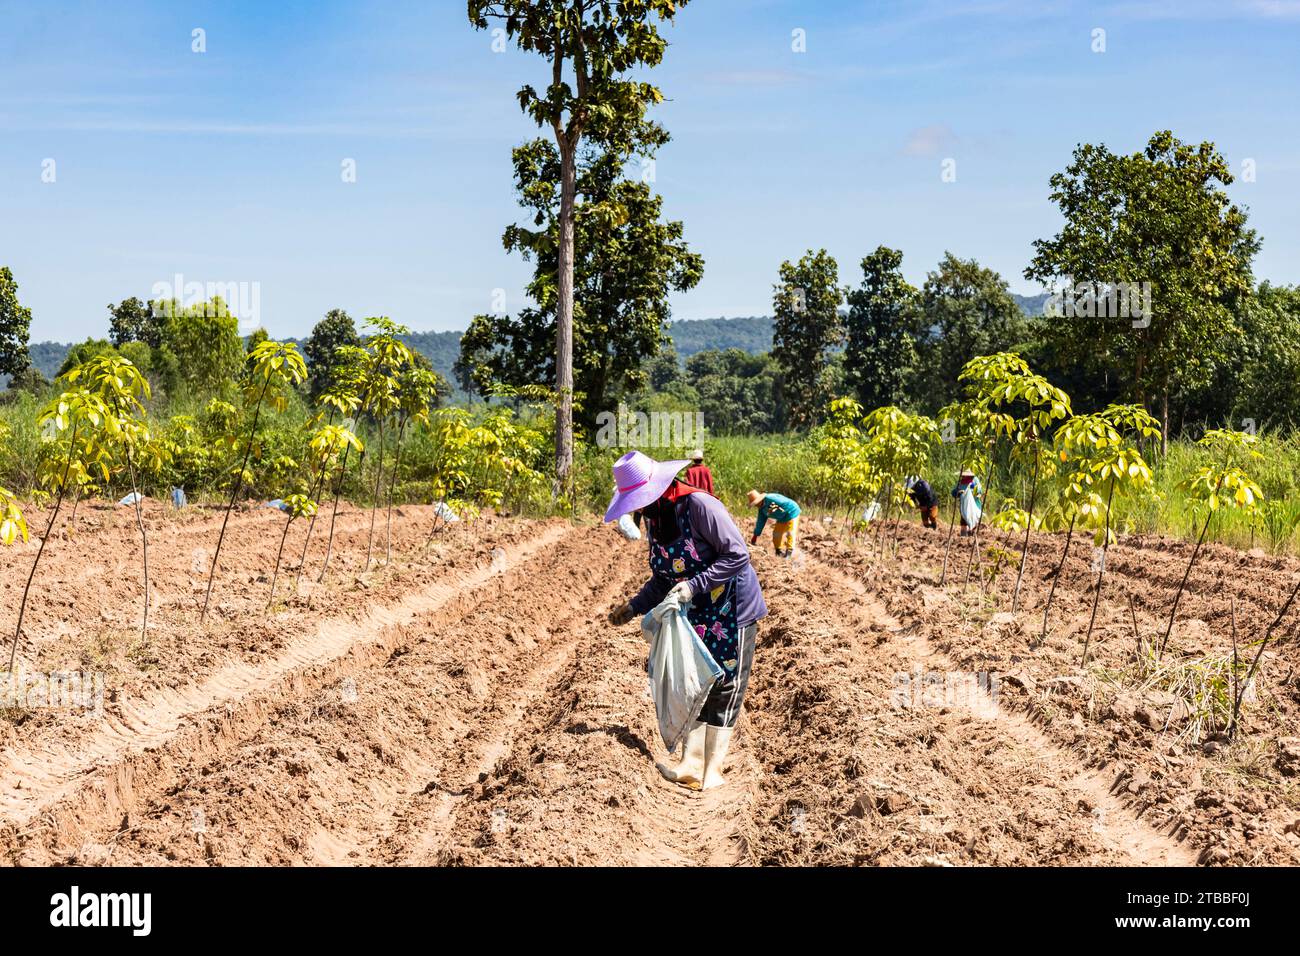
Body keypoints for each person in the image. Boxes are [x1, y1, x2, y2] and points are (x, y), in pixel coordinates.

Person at [606, 451, 767, 791]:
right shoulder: (658, 519)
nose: (638, 511)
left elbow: (738, 554)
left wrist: (693, 586)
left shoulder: (699, 507)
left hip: (731, 606)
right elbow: (665, 577)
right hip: (696, 609)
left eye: (640, 502)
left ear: (659, 490)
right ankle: (689, 764)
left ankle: (713, 769)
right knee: (698, 681)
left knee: (727, 684)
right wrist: (634, 606)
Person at [747, 490, 800, 558]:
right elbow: (760, 522)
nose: (756, 505)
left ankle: (789, 553)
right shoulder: (761, 509)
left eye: (756, 503)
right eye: (755, 504)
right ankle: (778, 551)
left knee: (790, 532)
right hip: (781, 518)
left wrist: (773, 508)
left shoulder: (771, 498)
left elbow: (784, 503)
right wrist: (755, 535)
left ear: (760, 500)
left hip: (792, 511)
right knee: (776, 534)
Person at [951, 469, 984, 536]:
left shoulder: (974, 480)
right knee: (963, 522)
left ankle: (973, 535)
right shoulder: (961, 482)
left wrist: (973, 492)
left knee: (974, 521)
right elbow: (953, 492)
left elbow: (980, 490)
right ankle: (963, 537)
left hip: (974, 505)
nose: (964, 476)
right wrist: (958, 492)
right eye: (963, 475)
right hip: (964, 506)